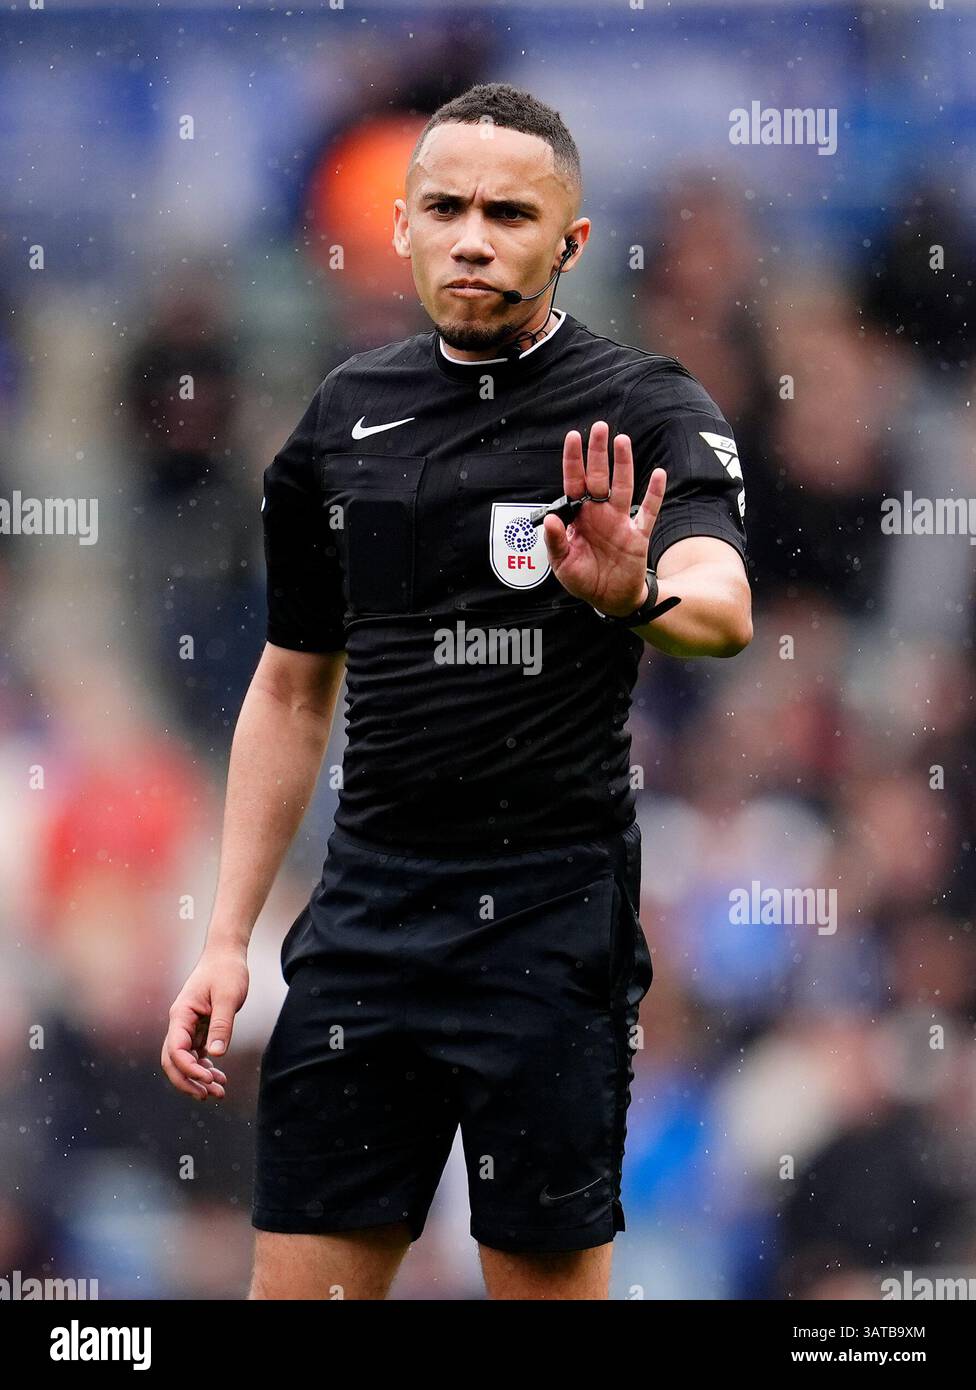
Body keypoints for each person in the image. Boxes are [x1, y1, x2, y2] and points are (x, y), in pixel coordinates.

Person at [161, 82, 752, 1301]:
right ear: (400, 225)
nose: (473, 236)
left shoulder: (642, 406)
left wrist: (631, 594)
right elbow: (288, 688)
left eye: (507, 212)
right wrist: (227, 938)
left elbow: (724, 608)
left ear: (570, 242)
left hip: (547, 933)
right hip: (366, 924)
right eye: (445, 207)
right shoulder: (340, 420)